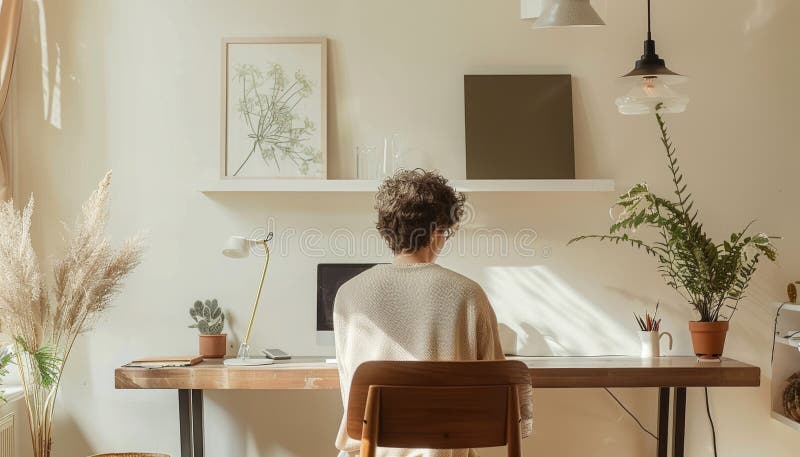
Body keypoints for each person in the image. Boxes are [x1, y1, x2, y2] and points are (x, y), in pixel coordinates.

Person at [333, 169, 532, 457]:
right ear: (437, 230)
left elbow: (349, 385)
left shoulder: (349, 293)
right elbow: (501, 397)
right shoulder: (468, 293)